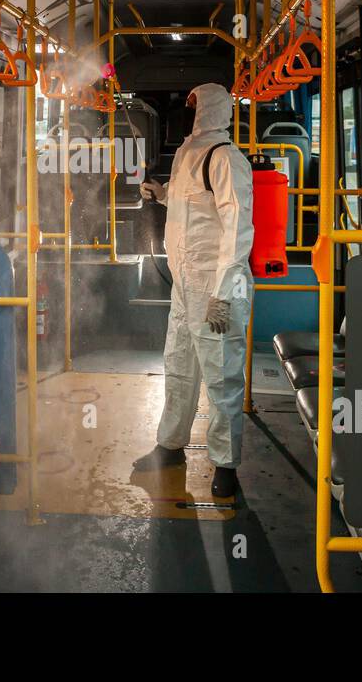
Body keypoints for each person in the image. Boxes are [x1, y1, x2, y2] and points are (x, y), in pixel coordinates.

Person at [133, 83, 253, 498]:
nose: (186, 111)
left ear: (210, 110)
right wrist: (163, 194)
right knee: (179, 362)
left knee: (221, 375)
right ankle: (171, 443)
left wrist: (224, 293)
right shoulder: (188, 153)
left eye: (192, 105)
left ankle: (226, 463)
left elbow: (238, 229)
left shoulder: (226, 158)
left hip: (215, 286)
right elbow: (192, 206)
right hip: (185, 283)